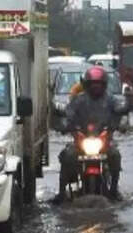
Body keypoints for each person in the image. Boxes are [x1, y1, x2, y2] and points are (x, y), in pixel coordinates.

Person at [52, 66, 124, 204]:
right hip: (81, 141)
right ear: (87, 85)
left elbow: (118, 111)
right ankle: (61, 192)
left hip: (103, 142)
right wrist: (67, 126)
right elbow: (68, 114)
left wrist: (116, 125)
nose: (96, 87)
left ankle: (114, 189)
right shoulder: (78, 100)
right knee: (67, 156)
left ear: (104, 85)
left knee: (115, 155)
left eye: (99, 84)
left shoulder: (110, 100)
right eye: (93, 84)